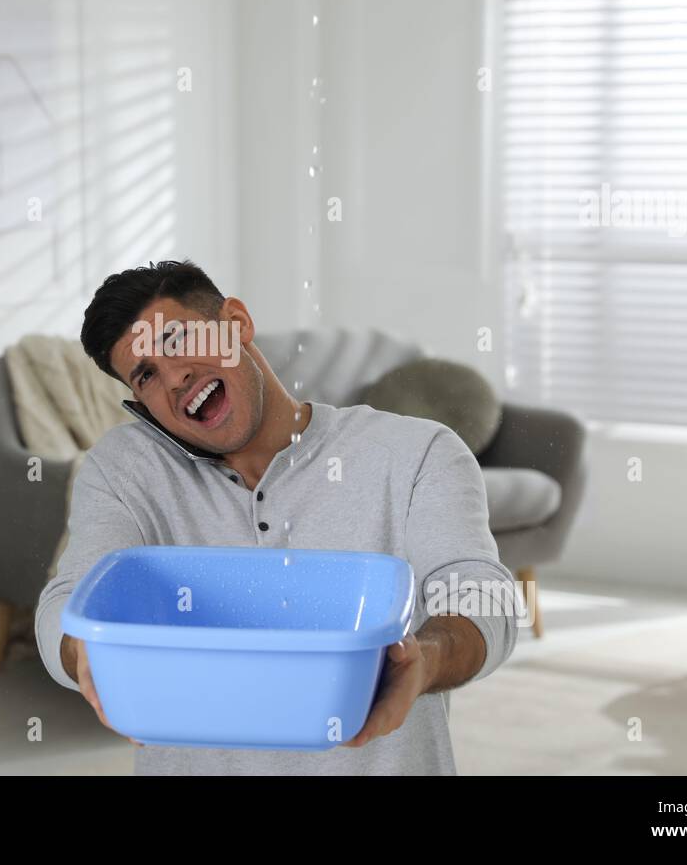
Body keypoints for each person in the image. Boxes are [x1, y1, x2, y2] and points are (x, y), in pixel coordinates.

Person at [34, 259, 519, 774]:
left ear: (236, 322)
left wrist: (425, 659)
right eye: (147, 374)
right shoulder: (125, 469)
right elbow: (65, 601)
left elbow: (480, 592)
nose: (175, 376)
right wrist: (85, 650)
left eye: (177, 340)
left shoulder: (415, 452)